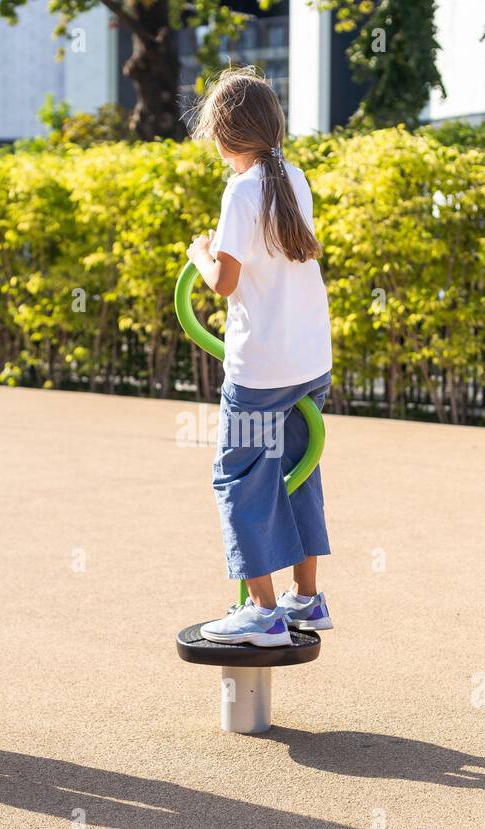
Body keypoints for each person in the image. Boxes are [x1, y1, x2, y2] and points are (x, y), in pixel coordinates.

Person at [184, 67, 336, 648]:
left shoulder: (241, 189)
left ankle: (264, 613)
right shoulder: (294, 177)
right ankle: (307, 597)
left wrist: (200, 253)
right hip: (309, 361)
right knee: (298, 471)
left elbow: (223, 282)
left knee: (240, 479)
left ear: (222, 139)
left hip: (262, 370)